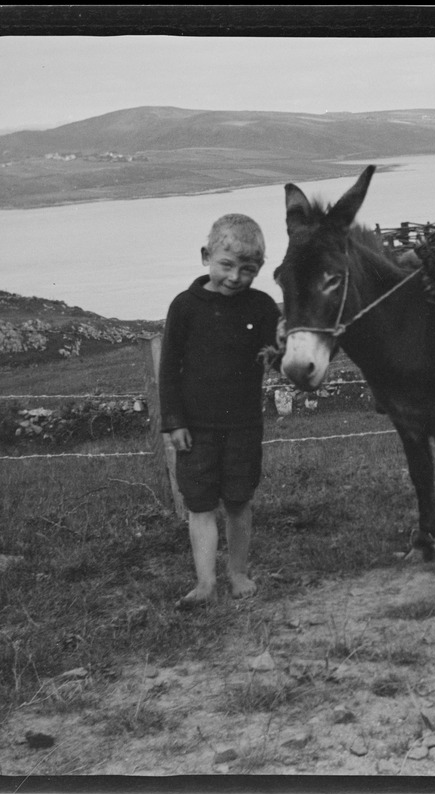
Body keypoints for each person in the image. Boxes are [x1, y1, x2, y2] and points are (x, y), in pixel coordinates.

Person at [159, 213, 281, 609]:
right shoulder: (185, 307)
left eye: (248, 269)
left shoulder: (263, 307)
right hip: (195, 429)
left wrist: (281, 351)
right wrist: (174, 422)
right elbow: (169, 370)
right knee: (199, 504)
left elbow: (275, 358)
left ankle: (238, 573)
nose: (235, 277)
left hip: (244, 426)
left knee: (239, 500)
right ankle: (205, 582)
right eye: (226, 265)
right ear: (205, 256)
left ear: (259, 269)